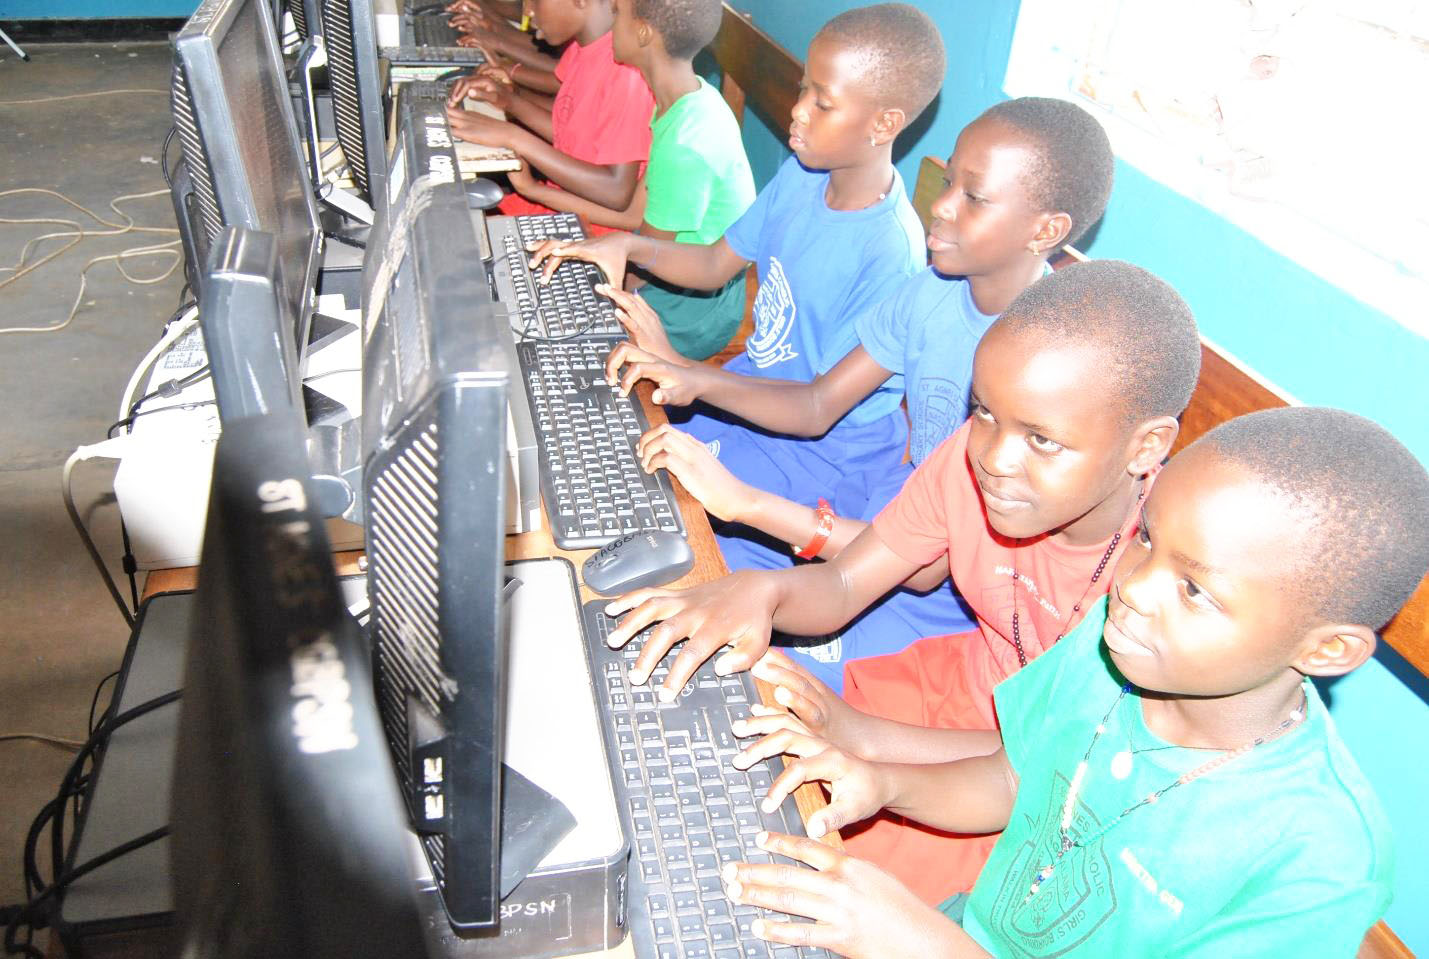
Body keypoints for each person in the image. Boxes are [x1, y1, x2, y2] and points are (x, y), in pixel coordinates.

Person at [720, 405, 1425, 958]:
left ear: (1327, 648)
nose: (1133, 587)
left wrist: (920, 943)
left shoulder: (1318, 856)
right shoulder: (1111, 645)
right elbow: (1011, 779)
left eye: (1194, 590)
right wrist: (884, 782)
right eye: (1145, 539)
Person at [599, 260, 1203, 899]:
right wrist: (764, 591)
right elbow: (845, 587)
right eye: (986, 412)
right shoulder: (974, 457)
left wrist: (860, 738)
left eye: (1043, 441)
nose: (994, 458)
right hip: (956, 695)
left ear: (1145, 447)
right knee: (722, 757)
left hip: (1027, 783)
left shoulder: (1160, 589)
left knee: (805, 877)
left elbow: (1039, 769)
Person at [607, 97, 1115, 687]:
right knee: (684, 568)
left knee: (757, 665)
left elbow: (932, 566)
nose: (941, 207)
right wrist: (691, 376)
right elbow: (819, 403)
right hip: (902, 521)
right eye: (948, 182)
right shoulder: (930, 294)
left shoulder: (1052, 363)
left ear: (1045, 230)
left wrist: (745, 501)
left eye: (972, 197)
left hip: (965, 588)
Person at [529, 3, 944, 478]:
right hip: (752, 391)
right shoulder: (803, 176)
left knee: (649, 490)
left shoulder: (890, 252)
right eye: (804, 89)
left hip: (819, 453)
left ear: (884, 124)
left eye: (822, 103)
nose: (798, 111)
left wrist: (690, 372)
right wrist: (627, 247)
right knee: (594, 440)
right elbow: (712, 264)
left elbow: (816, 409)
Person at [443, 0, 655, 225]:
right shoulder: (584, 48)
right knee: (445, 206)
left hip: (589, 231)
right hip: (559, 208)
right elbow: (569, 131)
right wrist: (509, 101)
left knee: (449, 223)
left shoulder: (627, 73)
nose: (526, 12)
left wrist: (512, 136)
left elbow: (616, 191)